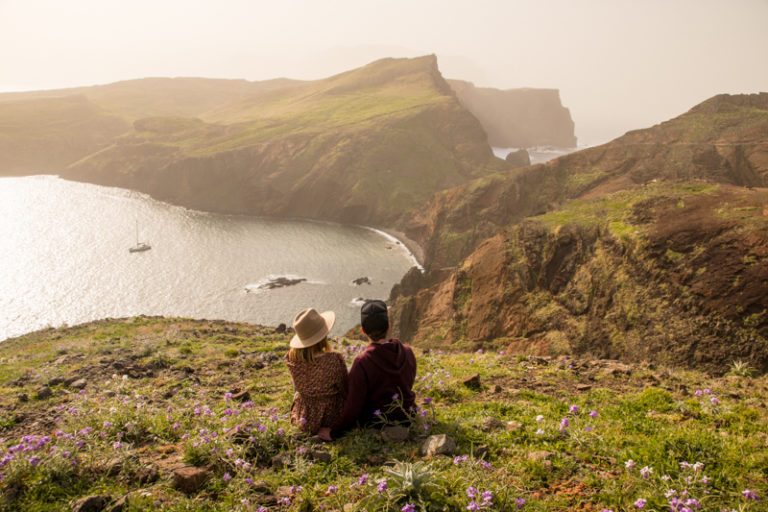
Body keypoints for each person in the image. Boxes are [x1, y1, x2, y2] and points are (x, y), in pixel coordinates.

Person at [332, 299, 417, 435]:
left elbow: (353, 407)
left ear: (363, 330)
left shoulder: (362, 362)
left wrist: (333, 431)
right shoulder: (407, 351)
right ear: (388, 326)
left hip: (377, 423)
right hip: (407, 415)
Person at [285, 308, 348, 441]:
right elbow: (345, 389)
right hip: (332, 418)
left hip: (304, 419)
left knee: (298, 392)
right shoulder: (334, 359)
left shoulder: (291, 359)